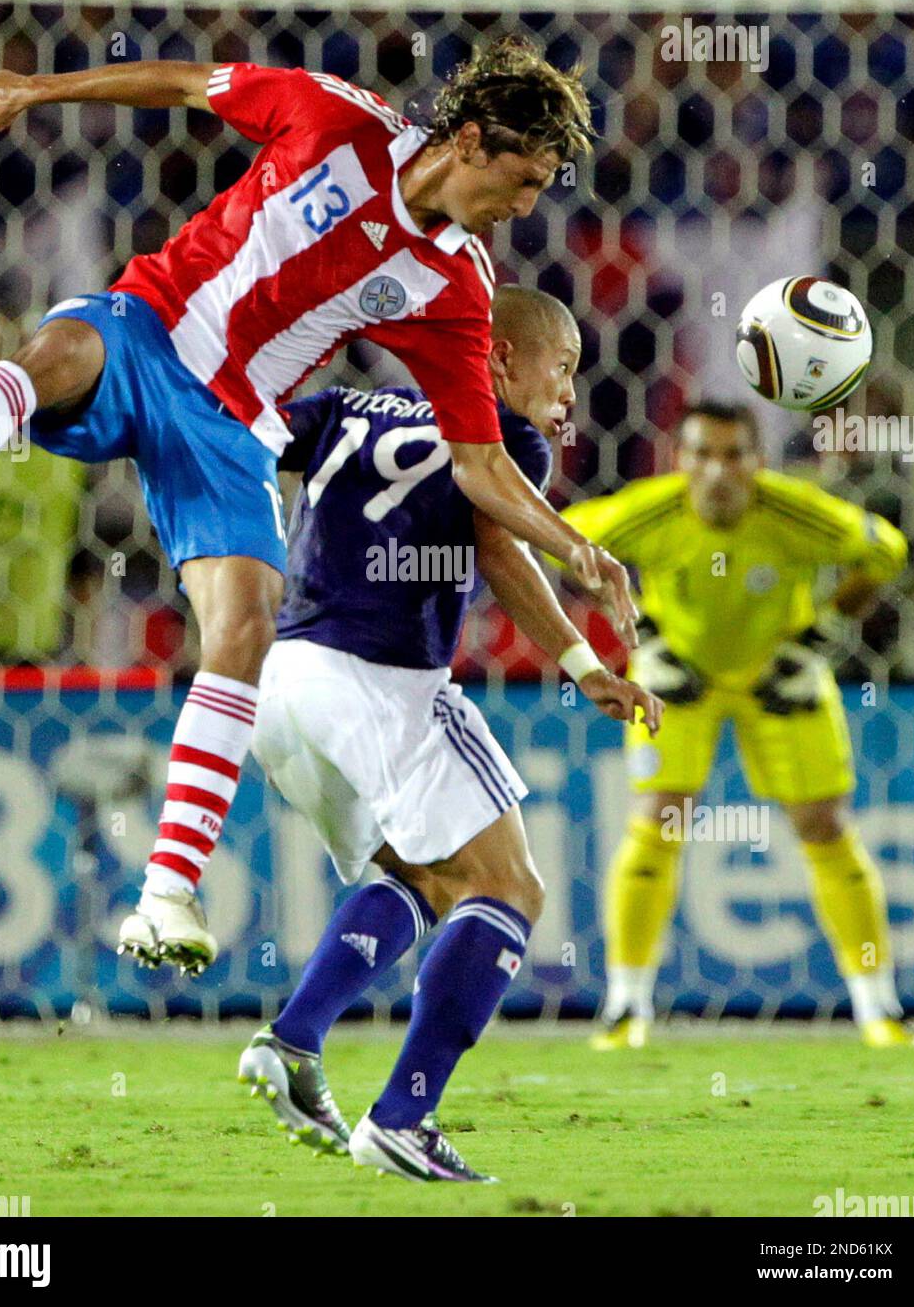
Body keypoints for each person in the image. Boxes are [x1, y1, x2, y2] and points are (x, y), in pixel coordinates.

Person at [0, 37, 638, 972]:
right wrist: (34, 91)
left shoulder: (453, 287)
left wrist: (578, 549)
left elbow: (480, 464)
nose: (528, 203)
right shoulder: (335, 117)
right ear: (468, 140)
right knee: (60, 355)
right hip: (152, 324)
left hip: (233, 424)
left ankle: (165, 896)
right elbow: (182, 82)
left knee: (246, 627)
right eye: (524, 177)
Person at [240, 287, 663, 1182]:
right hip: (383, 680)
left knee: (422, 872)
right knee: (511, 886)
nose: (568, 395)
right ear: (501, 359)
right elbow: (499, 547)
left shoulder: (348, 407)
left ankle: (292, 1042)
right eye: (563, 368)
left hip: (282, 687)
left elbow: (246, 437)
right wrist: (587, 658)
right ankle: (402, 1117)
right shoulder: (506, 440)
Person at [557, 401, 914, 1050]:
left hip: (775, 674)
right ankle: (624, 1008)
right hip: (679, 679)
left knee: (825, 825)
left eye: (733, 455)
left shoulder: (792, 511)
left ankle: (878, 1009)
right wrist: (645, 633)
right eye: (702, 454)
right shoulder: (651, 509)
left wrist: (818, 636)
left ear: (758, 462)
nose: (717, 471)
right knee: (656, 820)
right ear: (681, 459)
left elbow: (885, 552)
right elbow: (561, 544)